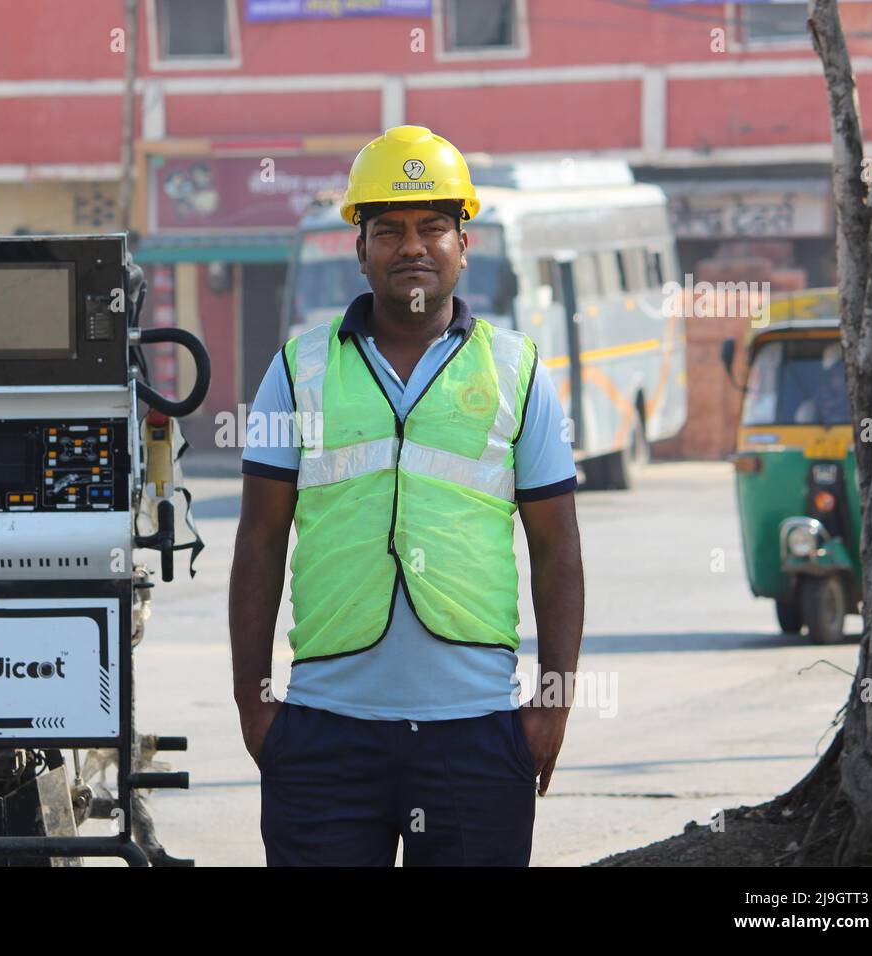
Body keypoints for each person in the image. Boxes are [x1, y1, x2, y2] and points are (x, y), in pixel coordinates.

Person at [229, 126, 586, 867]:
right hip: (325, 730)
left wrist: (552, 704)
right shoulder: (295, 369)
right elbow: (258, 541)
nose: (411, 247)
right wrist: (255, 704)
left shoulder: (518, 371)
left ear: (464, 241)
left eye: (432, 227)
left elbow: (557, 547)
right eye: (387, 230)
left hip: (477, 733)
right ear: (359, 249)